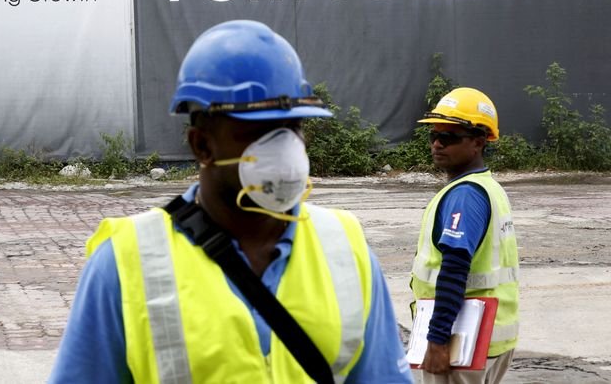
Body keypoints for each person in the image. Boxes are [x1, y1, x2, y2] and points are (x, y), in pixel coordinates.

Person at [49, 20, 413, 383]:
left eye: (292, 129)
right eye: (258, 132)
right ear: (202, 146)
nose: (285, 151)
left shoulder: (346, 250)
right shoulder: (125, 263)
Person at [411, 88, 520, 383]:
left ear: (478, 142)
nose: (436, 143)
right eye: (433, 135)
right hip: (489, 336)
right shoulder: (489, 188)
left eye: (448, 137)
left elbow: (455, 267)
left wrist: (437, 339)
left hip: (462, 340)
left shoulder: (466, 196)